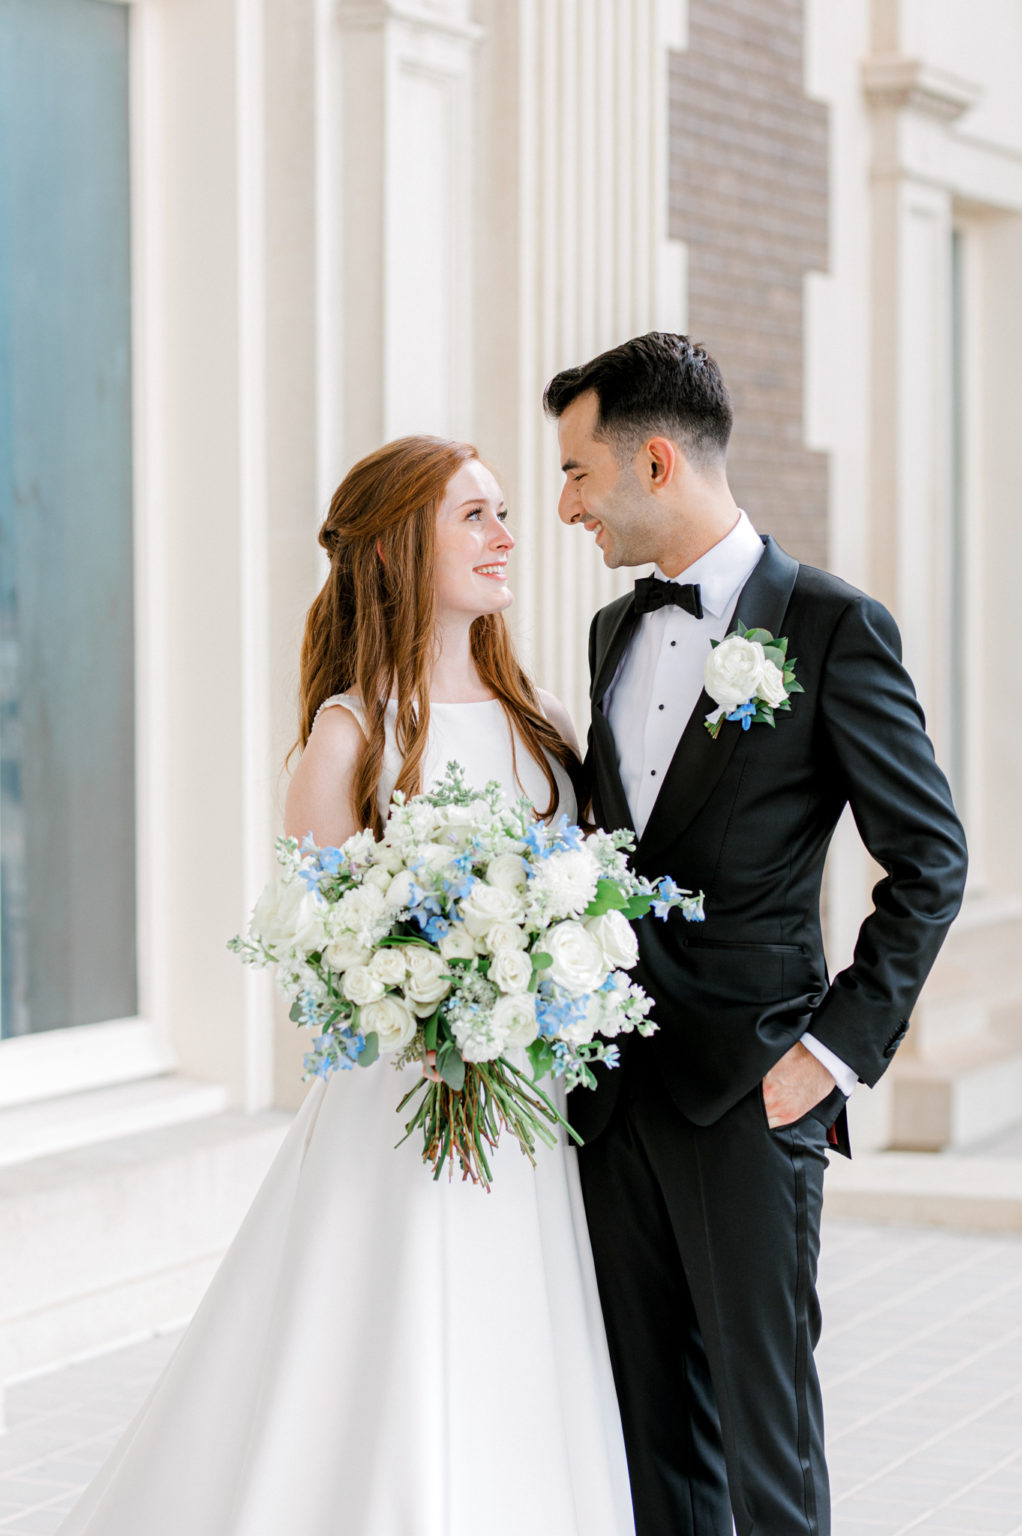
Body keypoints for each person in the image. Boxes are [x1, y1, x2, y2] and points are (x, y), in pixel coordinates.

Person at [58, 436, 635, 1536]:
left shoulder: (548, 722)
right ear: (396, 545)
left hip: (532, 1115)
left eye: (505, 512)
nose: (506, 536)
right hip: (398, 1113)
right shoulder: (352, 735)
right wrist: (415, 998)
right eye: (474, 516)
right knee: (389, 1354)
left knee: (522, 1354)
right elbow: (317, 955)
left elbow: (601, 898)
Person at [543, 332, 969, 1536]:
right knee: (651, 1442)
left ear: (656, 462)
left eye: (579, 473)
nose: (566, 503)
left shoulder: (835, 627)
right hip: (613, 1094)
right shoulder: (610, 633)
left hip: (752, 1096)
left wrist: (826, 1060)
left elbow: (929, 863)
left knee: (764, 1449)